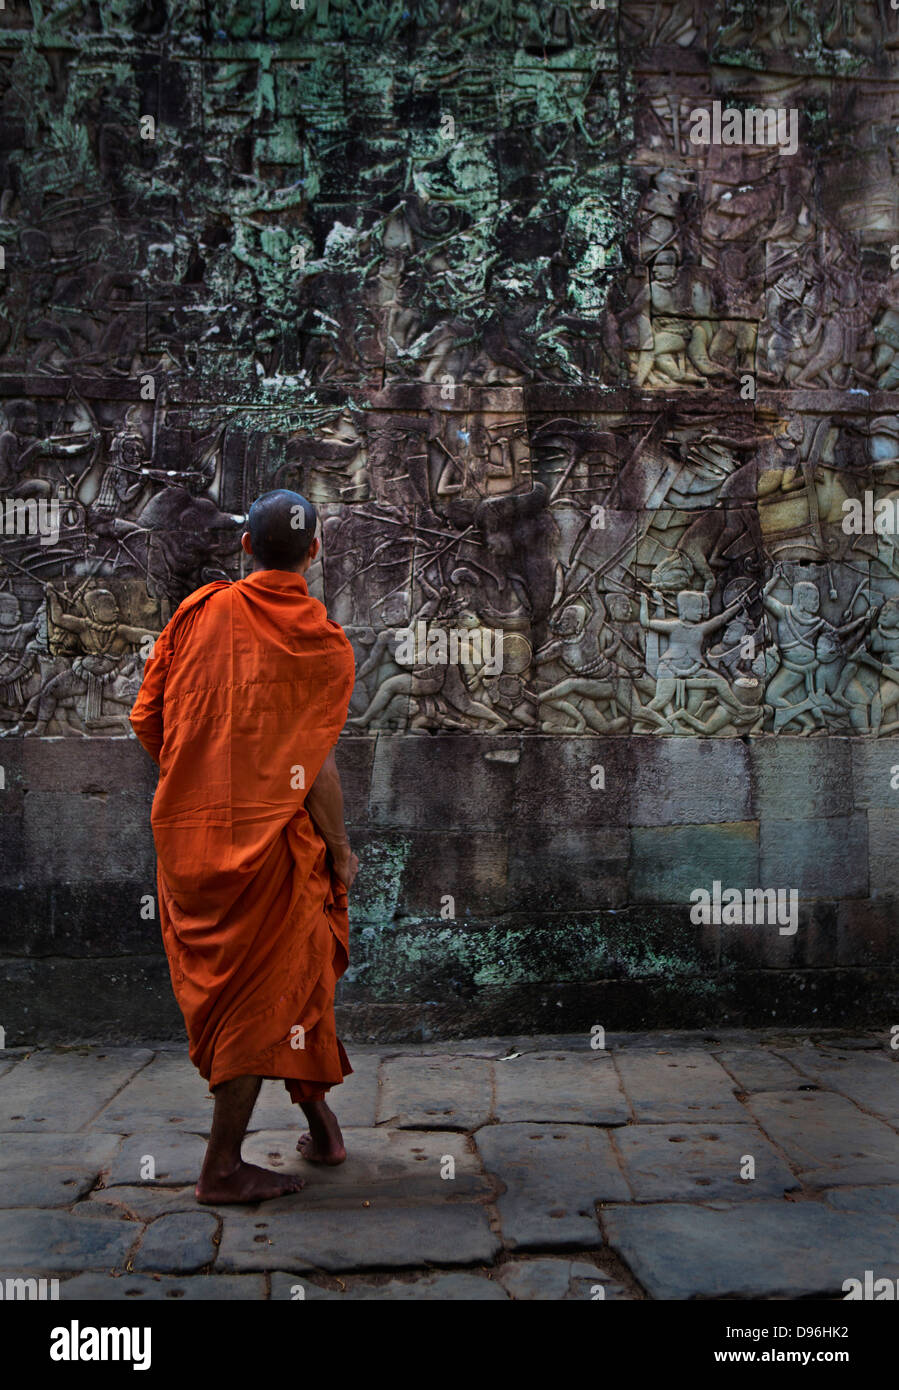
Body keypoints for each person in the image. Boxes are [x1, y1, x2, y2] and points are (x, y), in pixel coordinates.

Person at [130, 489, 357, 1204]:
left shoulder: (198, 614)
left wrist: (207, 773)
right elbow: (313, 763)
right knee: (270, 991)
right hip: (274, 848)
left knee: (291, 976)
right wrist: (340, 847)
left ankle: (320, 1125)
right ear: (314, 551)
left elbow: (148, 717)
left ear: (246, 547)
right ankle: (222, 1167)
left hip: (190, 839)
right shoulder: (323, 645)